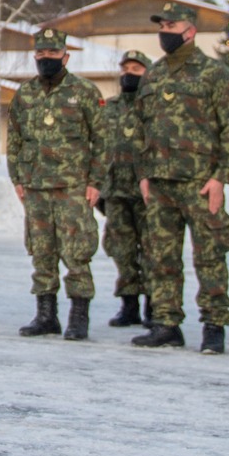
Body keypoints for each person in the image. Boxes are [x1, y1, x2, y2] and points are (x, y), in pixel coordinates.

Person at [132, 2, 229, 353]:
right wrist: (143, 173)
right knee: (161, 256)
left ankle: (213, 325)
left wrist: (221, 177)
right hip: (160, 182)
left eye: (172, 25)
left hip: (200, 181)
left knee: (209, 255)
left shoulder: (214, 73)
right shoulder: (153, 73)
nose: (165, 31)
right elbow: (139, 127)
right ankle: (166, 324)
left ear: (190, 30)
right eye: (161, 25)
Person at [7, 29, 105, 339]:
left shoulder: (85, 91)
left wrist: (96, 181)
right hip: (35, 186)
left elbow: (102, 139)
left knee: (76, 252)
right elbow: (15, 140)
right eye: (41, 54)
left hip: (73, 186)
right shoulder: (25, 94)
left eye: (52, 54)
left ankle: (78, 316)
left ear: (65, 56)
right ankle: (46, 315)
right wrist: (17, 178)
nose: (46, 59)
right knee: (41, 252)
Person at [101, 49, 152, 328]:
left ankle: (154, 306)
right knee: (122, 251)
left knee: (152, 250)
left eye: (136, 69)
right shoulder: (109, 107)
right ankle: (128, 304)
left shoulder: (154, 108)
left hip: (146, 194)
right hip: (116, 192)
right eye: (126, 69)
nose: (129, 74)